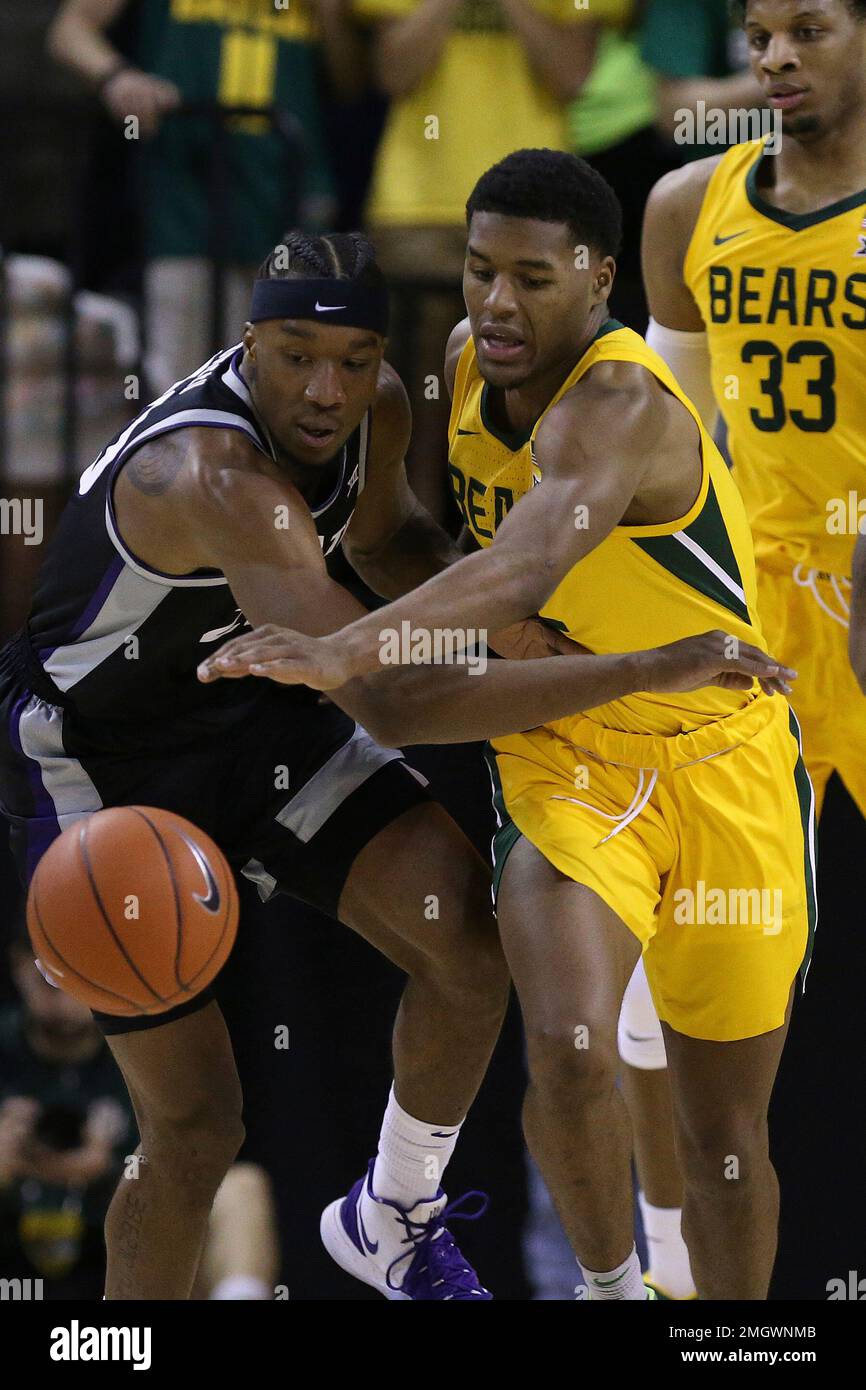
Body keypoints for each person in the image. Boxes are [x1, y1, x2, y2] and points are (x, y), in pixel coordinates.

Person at [0, 229, 770, 1301]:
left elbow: (389, 547)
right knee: (194, 1125)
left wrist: (510, 629)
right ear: (245, 342)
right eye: (295, 356)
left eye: (354, 359)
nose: (326, 389)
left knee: (469, 941)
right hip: (106, 757)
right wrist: (644, 672)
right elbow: (398, 700)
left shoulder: (374, 416)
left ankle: (392, 1215)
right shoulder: (214, 476)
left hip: (262, 713)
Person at [205, 152, 813, 1301]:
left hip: (722, 756)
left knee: (723, 1135)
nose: (494, 302)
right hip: (565, 755)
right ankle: (605, 1289)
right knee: (571, 1044)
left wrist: (347, 646)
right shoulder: (459, 368)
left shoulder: (621, 402)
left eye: (530, 279)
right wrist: (511, 641)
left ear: (594, 280)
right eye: (480, 271)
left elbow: (531, 553)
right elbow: (453, 557)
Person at [640, 0, 866, 1295]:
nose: (772, 57)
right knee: (700, 997)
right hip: (754, 626)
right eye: (754, 32)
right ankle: (688, 1290)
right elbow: (670, 453)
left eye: (808, 28)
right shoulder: (687, 206)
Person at [47, 0, 366, 391]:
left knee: (284, 390)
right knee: (185, 387)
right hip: (188, 193)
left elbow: (351, 81)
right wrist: (117, 77)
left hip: (289, 189)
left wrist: (331, 14)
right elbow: (69, 30)